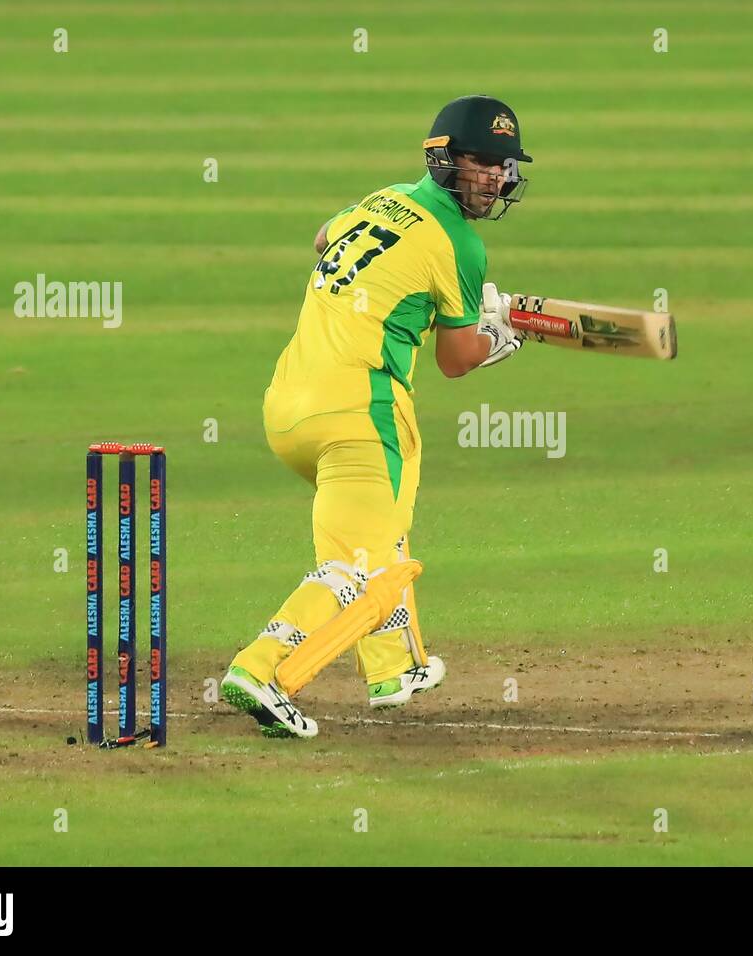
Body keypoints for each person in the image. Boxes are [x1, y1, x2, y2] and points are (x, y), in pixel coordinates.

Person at [219, 94, 532, 738]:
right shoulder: (461, 245)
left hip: (288, 405)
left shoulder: (384, 199)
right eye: (485, 163)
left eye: (504, 166)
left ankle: (395, 667)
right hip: (359, 415)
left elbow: (322, 238)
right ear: (445, 159)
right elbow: (454, 359)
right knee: (353, 568)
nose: (497, 178)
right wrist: (501, 334)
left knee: (381, 523)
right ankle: (261, 668)